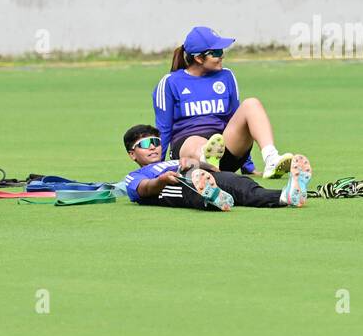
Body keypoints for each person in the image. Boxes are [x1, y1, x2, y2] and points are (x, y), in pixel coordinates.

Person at [153, 26, 299, 179]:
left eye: (222, 51)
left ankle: (271, 159)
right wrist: (156, 170)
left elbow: (237, 121)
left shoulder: (226, 76)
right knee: (194, 141)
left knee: (251, 104)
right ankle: (206, 158)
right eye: (216, 53)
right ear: (198, 58)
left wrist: (247, 167)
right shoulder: (170, 82)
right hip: (188, 155)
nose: (222, 56)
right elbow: (164, 129)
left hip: (224, 149)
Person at [116, 124, 313, 211]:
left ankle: (286, 196)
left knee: (244, 186)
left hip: (205, 176)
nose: (152, 147)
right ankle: (211, 198)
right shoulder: (134, 176)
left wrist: (194, 162)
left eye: (155, 142)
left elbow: (212, 169)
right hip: (179, 186)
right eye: (143, 144)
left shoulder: (176, 160)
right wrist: (162, 179)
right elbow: (145, 189)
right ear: (132, 154)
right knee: (187, 185)